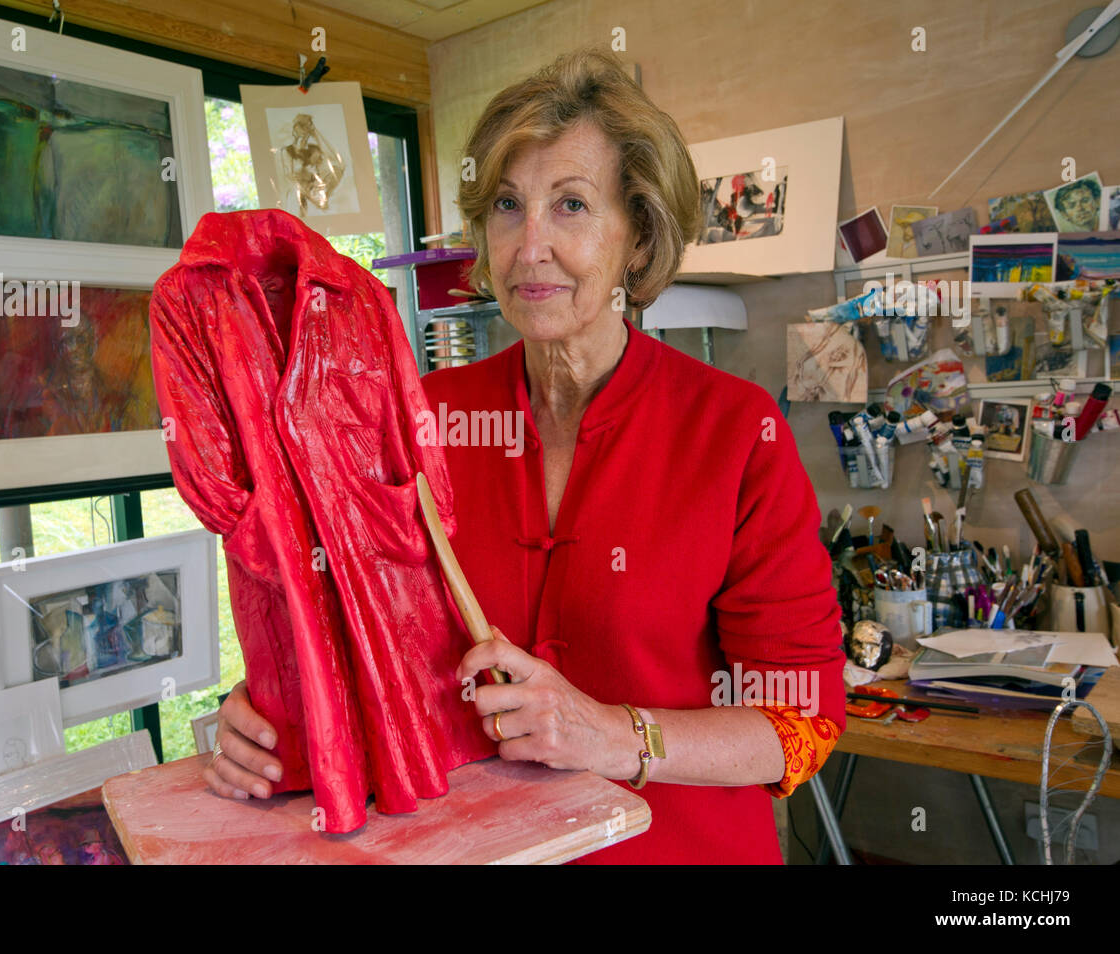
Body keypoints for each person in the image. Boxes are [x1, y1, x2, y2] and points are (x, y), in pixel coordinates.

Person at [207, 48, 845, 863]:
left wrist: (613, 736)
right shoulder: (419, 419)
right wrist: (265, 709)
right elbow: (350, 632)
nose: (529, 245)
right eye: (508, 206)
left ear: (639, 239)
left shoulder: (734, 431)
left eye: (571, 205)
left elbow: (803, 722)